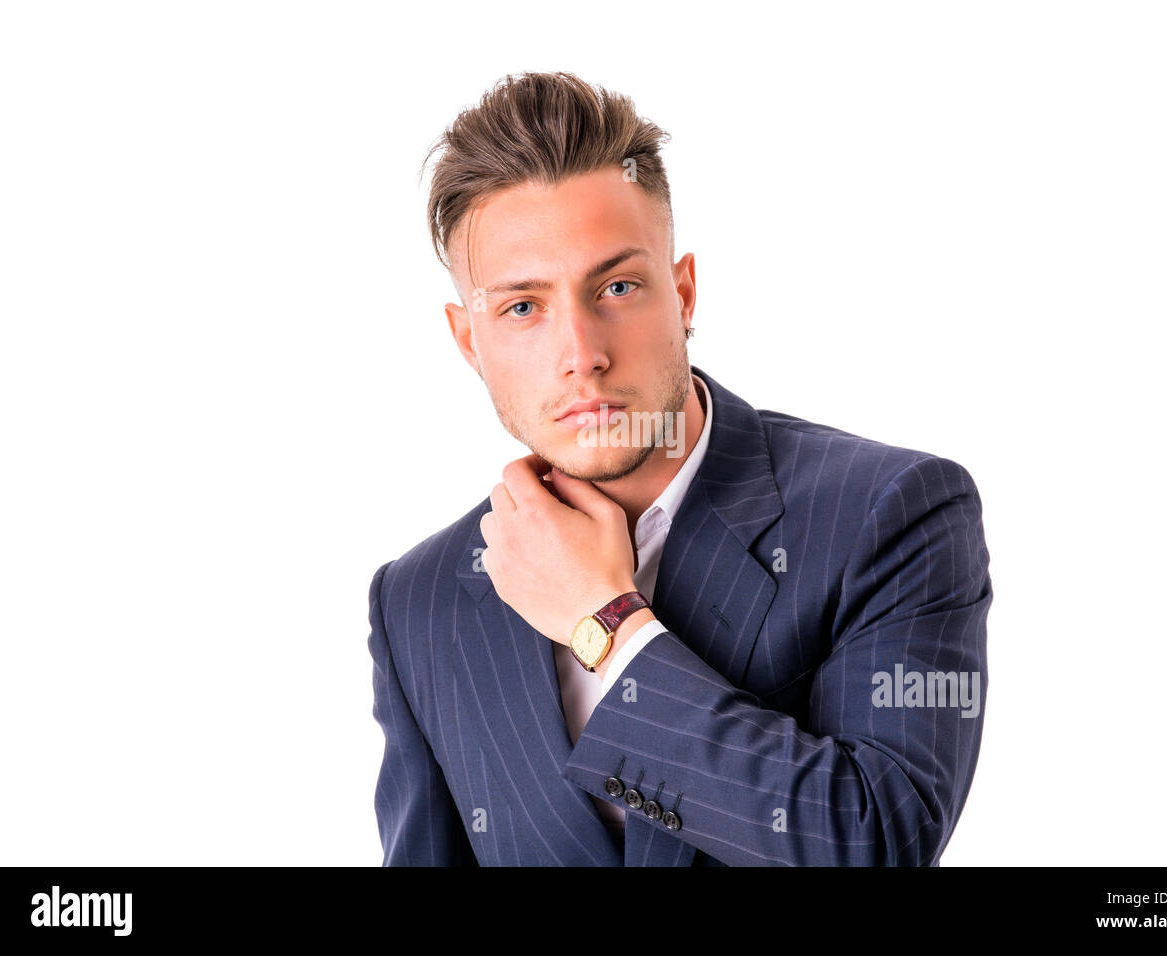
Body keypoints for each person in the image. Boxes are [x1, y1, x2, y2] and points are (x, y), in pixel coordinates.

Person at [367, 71, 993, 866]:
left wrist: (607, 624)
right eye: (523, 307)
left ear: (683, 290)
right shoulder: (418, 603)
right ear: (468, 341)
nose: (582, 357)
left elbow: (874, 843)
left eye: (617, 286)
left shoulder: (890, 513)